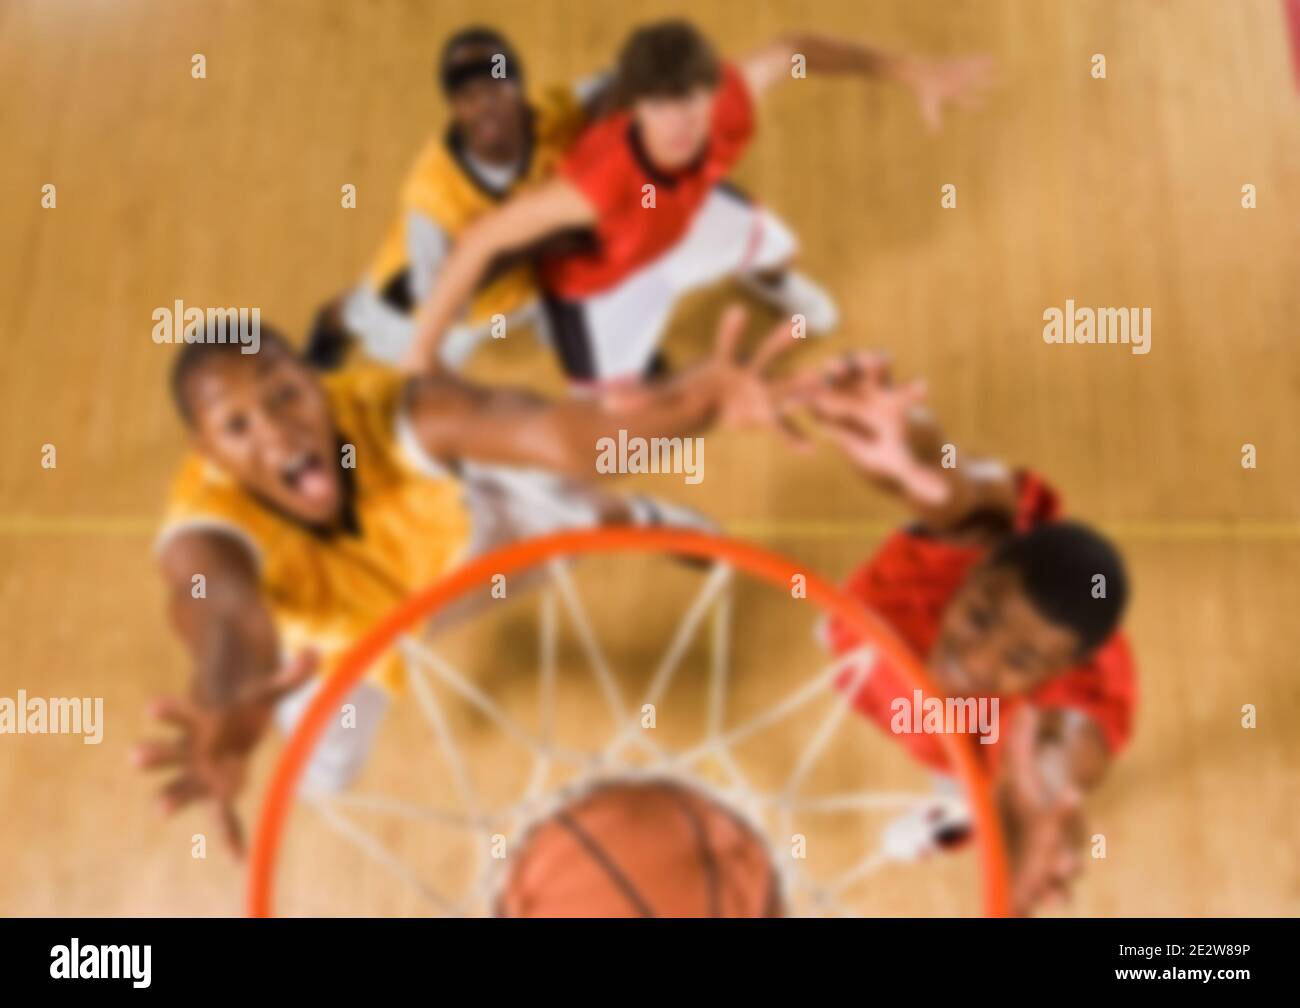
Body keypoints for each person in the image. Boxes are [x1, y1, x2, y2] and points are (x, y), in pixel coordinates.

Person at [134, 307, 799, 853]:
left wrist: (694, 408)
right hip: (335, 646)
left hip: (452, 554)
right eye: (237, 425)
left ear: (315, 382)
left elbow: (575, 438)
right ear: (205, 450)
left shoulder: (400, 409)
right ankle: (597, 518)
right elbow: (218, 607)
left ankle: (625, 516)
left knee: (568, 506)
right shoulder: (205, 528)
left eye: (284, 394)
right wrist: (226, 694)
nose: (277, 430)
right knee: (323, 776)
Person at [404, 20, 993, 383]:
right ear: (634, 107)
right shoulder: (595, 181)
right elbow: (482, 240)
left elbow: (794, 50)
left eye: (692, 100)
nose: (682, 124)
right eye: (660, 106)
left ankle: (767, 282)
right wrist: (420, 362)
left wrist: (904, 68)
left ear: (713, 89)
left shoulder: (728, 102)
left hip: (682, 222)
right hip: (603, 288)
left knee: (777, 245)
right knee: (617, 424)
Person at [803, 353, 1135, 916]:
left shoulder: (1063, 723)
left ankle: (953, 822)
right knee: (849, 635)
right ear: (978, 566)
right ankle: (846, 638)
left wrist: (1039, 830)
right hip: (885, 636)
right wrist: (904, 451)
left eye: (1020, 659)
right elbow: (950, 477)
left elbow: (1052, 781)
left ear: (1055, 674)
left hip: (970, 748)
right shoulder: (981, 534)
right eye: (980, 617)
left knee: (964, 787)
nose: (975, 658)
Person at [307, 25, 590, 370]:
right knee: (362, 317)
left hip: (531, 286)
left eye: (495, 87)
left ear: (519, 89)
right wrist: (534, 242)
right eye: (469, 96)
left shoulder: (553, 111)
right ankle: (334, 324)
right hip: (438, 308)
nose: (485, 105)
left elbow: (622, 82)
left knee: (601, 312)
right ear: (455, 107)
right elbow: (442, 299)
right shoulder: (430, 196)